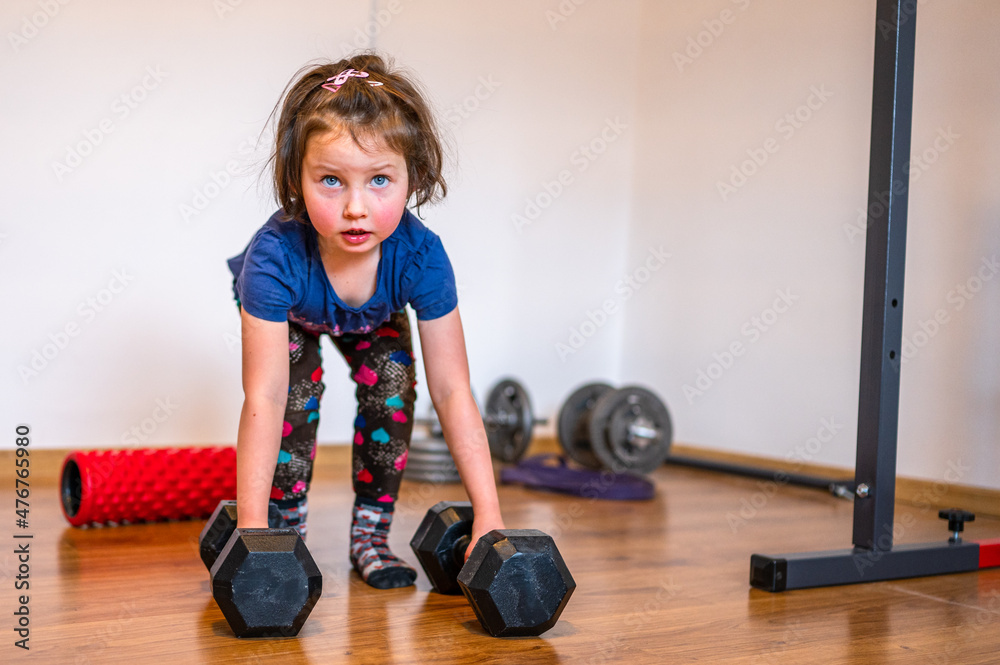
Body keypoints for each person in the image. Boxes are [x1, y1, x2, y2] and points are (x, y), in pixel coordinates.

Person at [226, 54, 504, 589]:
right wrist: (252, 532)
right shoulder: (273, 258)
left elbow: (452, 390)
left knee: (393, 390)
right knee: (295, 395)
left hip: (372, 317)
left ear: (412, 177)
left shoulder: (421, 258)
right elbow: (264, 396)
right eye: (331, 180)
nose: (356, 207)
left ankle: (370, 537)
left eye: (379, 180)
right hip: (292, 314)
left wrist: (489, 516)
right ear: (296, 178)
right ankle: (283, 531)